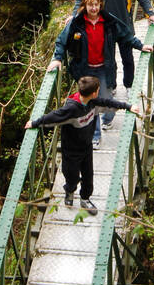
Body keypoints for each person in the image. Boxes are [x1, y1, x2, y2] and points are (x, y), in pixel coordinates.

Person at [25, 74, 142, 214]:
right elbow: (52, 117)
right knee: (71, 175)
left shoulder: (93, 103)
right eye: (98, 90)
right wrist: (34, 123)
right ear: (93, 93)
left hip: (86, 147)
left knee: (88, 176)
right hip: (71, 150)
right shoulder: (71, 109)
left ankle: (85, 199)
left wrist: (127, 106)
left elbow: (108, 102)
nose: (99, 92)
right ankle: (69, 191)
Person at [49, 0, 152, 146]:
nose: (94, 8)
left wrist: (141, 46)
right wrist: (57, 59)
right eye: (90, 5)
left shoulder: (108, 21)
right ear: (85, 5)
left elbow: (126, 35)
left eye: (96, 5)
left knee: (107, 99)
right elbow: (61, 41)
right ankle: (95, 136)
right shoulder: (77, 23)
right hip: (85, 70)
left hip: (104, 68)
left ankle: (108, 118)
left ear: (100, 5)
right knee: (92, 102)